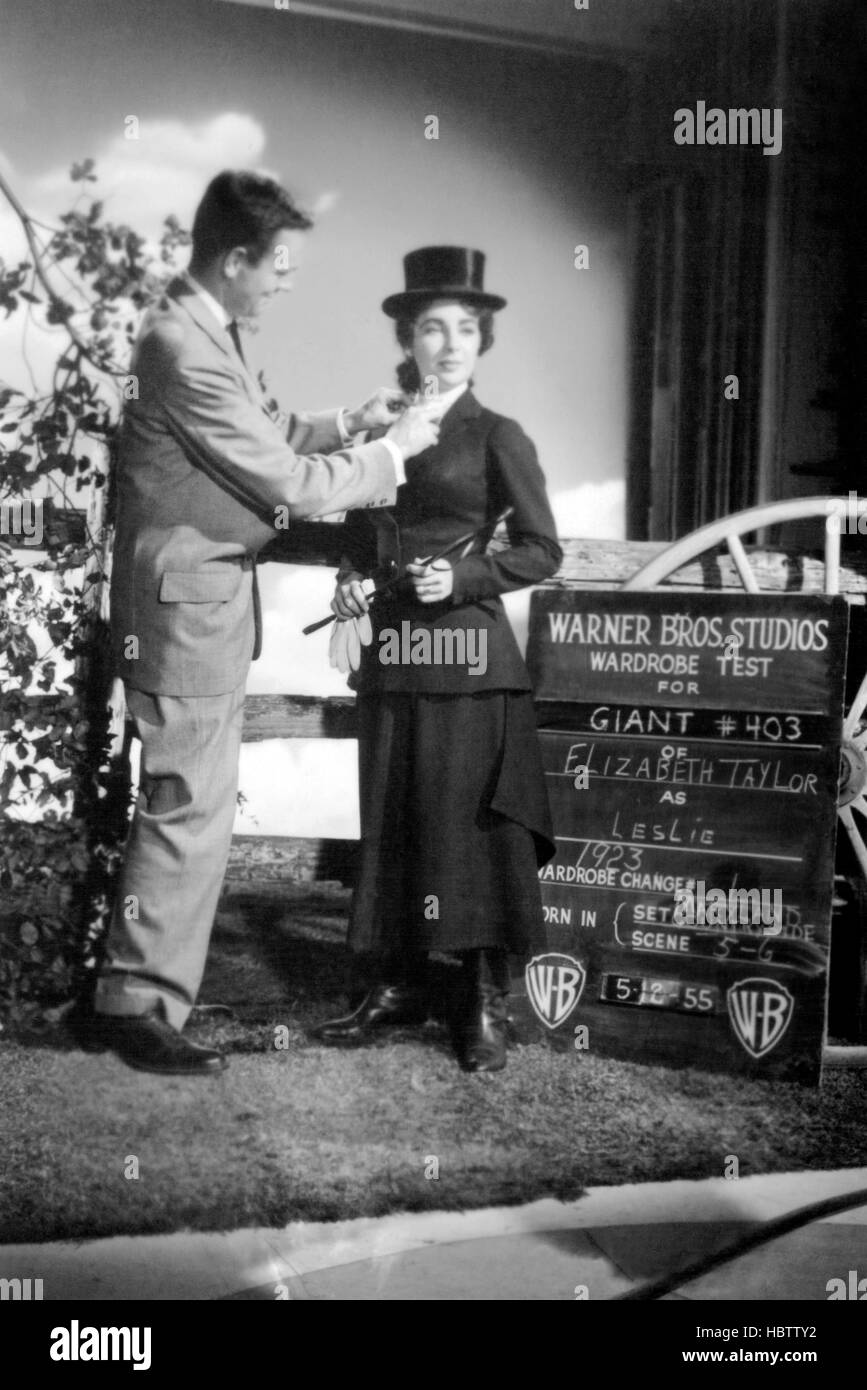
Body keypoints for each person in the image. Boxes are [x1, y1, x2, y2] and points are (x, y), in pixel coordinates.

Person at [81, 171, 441, 1075]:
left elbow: (271, 430)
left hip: (193, 607)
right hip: (183, 612)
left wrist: (347, 421)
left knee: (186, 806)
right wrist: (389, 455)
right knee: (187, 812)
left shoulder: (210, 329)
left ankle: (133, 996)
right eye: (278, 264)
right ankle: (139, 1008)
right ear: (236, 258)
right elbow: (281, 482)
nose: (286, 280)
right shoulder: (183, 345)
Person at [312, 246, 562, 1072]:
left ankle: (480, 1002)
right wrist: (351, 579)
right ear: (408, 339)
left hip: (467, 658)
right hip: (393, 653)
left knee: (471, 828)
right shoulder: (385, 432)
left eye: (464, 328)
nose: (449, 343)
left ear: (481, 341)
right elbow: (359, 528)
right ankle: (396, 985)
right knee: (393, 817)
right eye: (431, 328)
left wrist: (461, 574)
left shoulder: (498, 435)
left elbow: (540, 549)